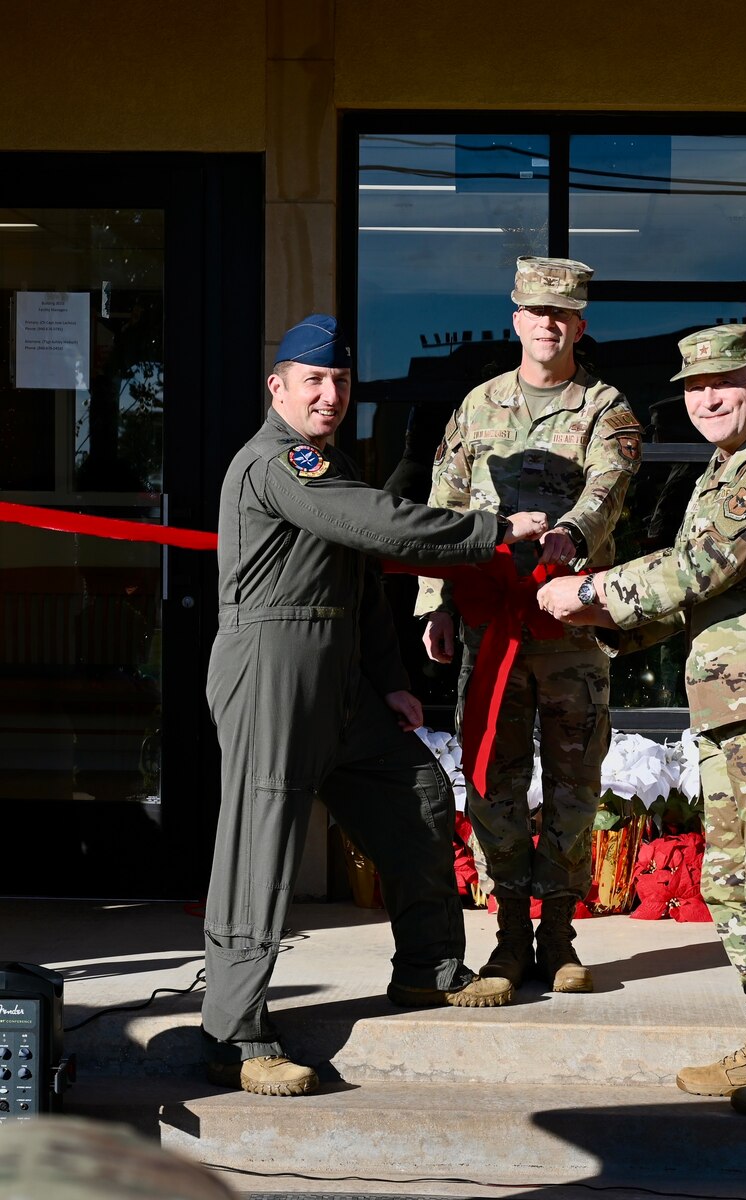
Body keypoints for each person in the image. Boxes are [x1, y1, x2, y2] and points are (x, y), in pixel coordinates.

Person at [201, 314, 549, 1097]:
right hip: (271, 666)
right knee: (262, 846)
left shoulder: (330, 463)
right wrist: (493, 531)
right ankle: (234, 1036)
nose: (331, 395)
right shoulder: (279, 461)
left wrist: (390, 678)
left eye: (342, 383)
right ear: (278, 387)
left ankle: (428, 967)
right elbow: (374, 523)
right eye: (315, 381)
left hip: (339, 675)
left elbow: (356, 580)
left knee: (416, 791)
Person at [537, 324, 746, 1116]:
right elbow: (700, 596)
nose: (708, 398)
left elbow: (690, 571)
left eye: (725, 382)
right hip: (734, 712)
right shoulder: (724, 473)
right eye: (693, 387)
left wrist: (587, 595)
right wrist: (603, 623)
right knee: (730, 883)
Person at [416, 257, 642, 1001]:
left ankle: (560, 934)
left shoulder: (607, 408)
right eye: (535, 311)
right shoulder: (476, 408)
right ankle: (509, 937)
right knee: (493, 778)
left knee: (575, 781)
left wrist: (569, 537)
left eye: (563, 313)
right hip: (491, 629)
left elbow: (607, 492)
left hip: (570, 627)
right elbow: (442, 510)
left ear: (580, 324)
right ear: (515, 319)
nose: (548, 324)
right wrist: (436, 604)